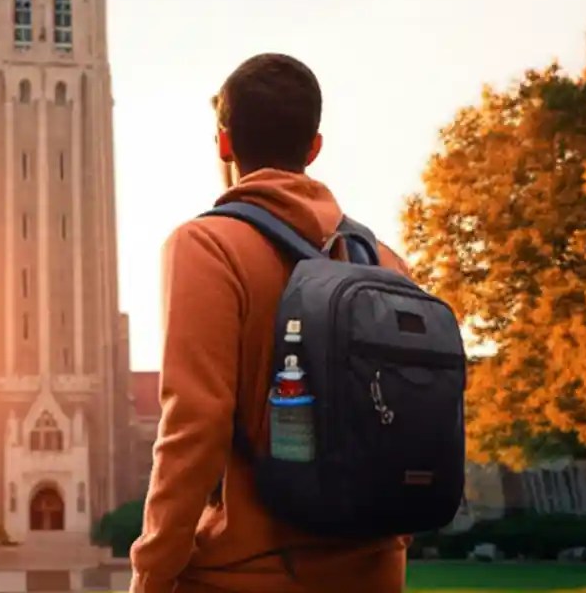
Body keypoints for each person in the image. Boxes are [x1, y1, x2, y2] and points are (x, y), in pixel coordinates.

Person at [129, 53, 413, 593]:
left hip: (249, 573)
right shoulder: (385, 262)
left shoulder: (207, 246)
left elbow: (195, 426)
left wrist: (151, 574)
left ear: (223, 141)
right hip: (375, 572)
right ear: (314, 147)